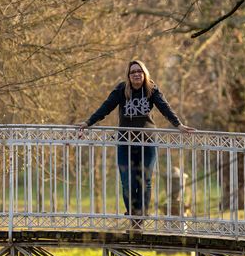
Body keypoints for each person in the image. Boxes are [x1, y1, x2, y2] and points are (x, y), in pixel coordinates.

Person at [77, 60, 195, 216]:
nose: (136, 74)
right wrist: (88, 123)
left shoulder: (151, 89)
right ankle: (133, 213)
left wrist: (178, 125)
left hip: (147, 141)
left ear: (144, 73)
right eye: (133, 72)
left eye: (139, 71)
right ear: (128, 76)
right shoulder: (121, 89)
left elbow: (165, 107)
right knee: (127, 182)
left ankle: (141, 215)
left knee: (145, 181)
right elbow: (105, 108)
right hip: (125, 142)